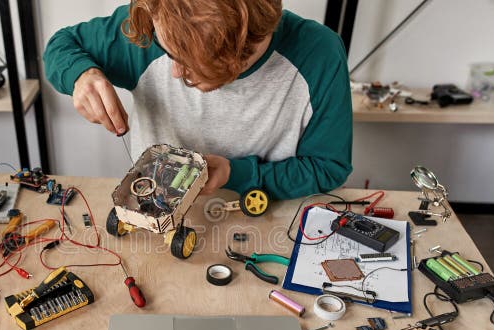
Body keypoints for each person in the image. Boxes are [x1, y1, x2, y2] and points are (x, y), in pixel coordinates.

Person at [43, 0, 352, 199]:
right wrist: (81, 75)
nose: (175, 73)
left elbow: (329, 168)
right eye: (169, 53)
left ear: (240, 48)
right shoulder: (153, 22)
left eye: (190, 61)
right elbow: (62, 44)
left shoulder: (319, 55)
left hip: (267, 218)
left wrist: (237, 173)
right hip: (157, 213)